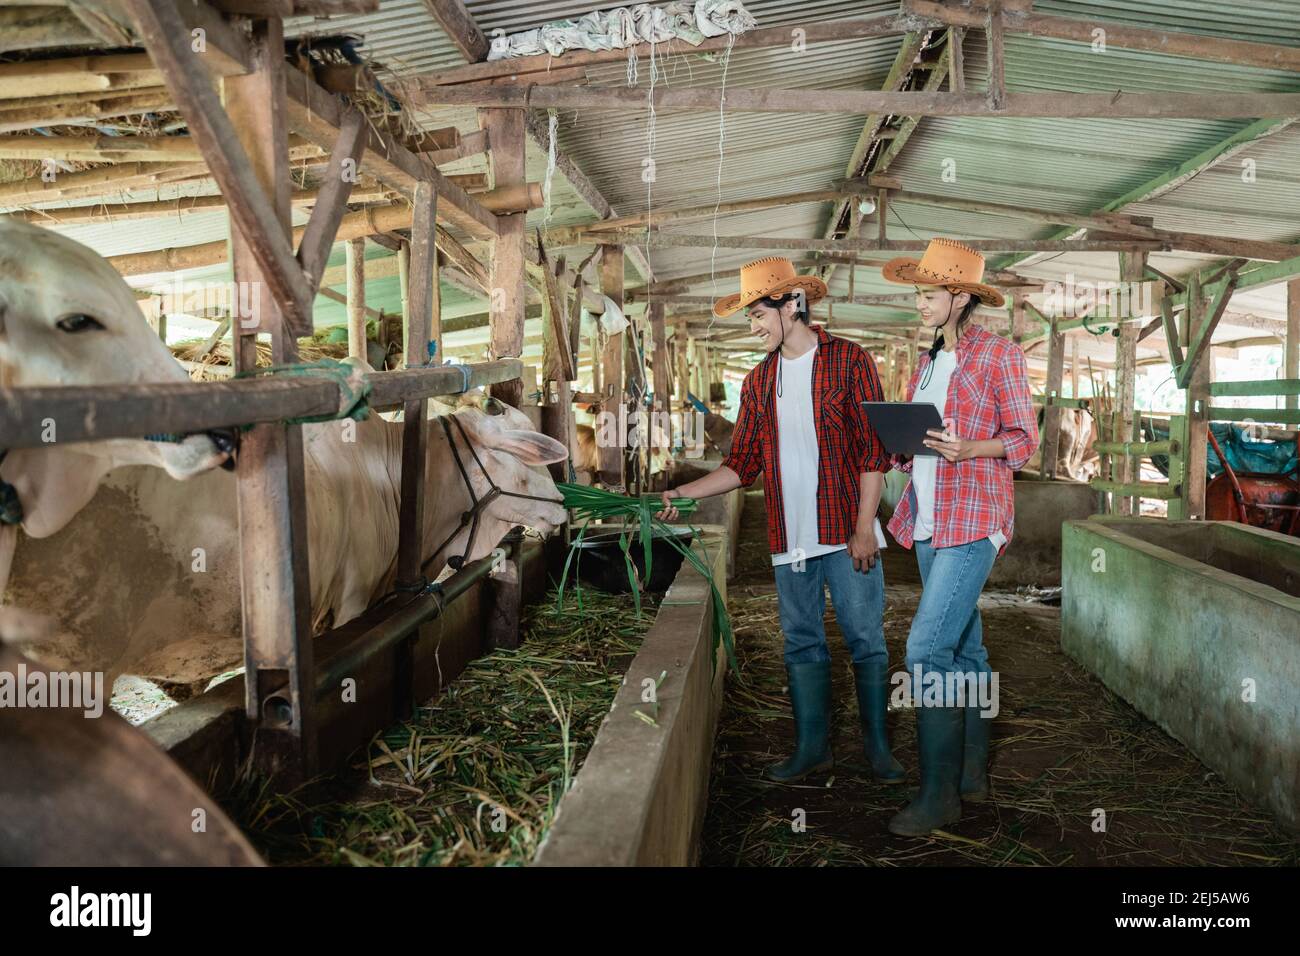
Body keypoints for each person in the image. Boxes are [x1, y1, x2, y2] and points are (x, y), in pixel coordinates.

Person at [655, 256, 903, 785]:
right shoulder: (757, 380)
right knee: (801, 639)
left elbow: (872, 451)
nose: (753, 327)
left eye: (758, 315)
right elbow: (742, 464)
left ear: (792, 305)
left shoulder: (850, 362)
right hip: (790, 536)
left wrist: (864, 526)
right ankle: (813, 748)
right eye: (748, 319)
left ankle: (878, 751)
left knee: (864, 636)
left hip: (844, 530)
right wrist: (682, 492)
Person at [878, 238, 1039, 836]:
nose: (919, 304)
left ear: (961, 296)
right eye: (918, 294)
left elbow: (1024, 439)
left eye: (928, 294)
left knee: (924, 652)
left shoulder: (998, 354)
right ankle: (972, 776)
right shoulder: (928, 361)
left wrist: (971, 447)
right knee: (965, 651)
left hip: (973, 517)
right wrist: (900, 444)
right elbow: (927, 438)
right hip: (929, 516)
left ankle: (938, 796)